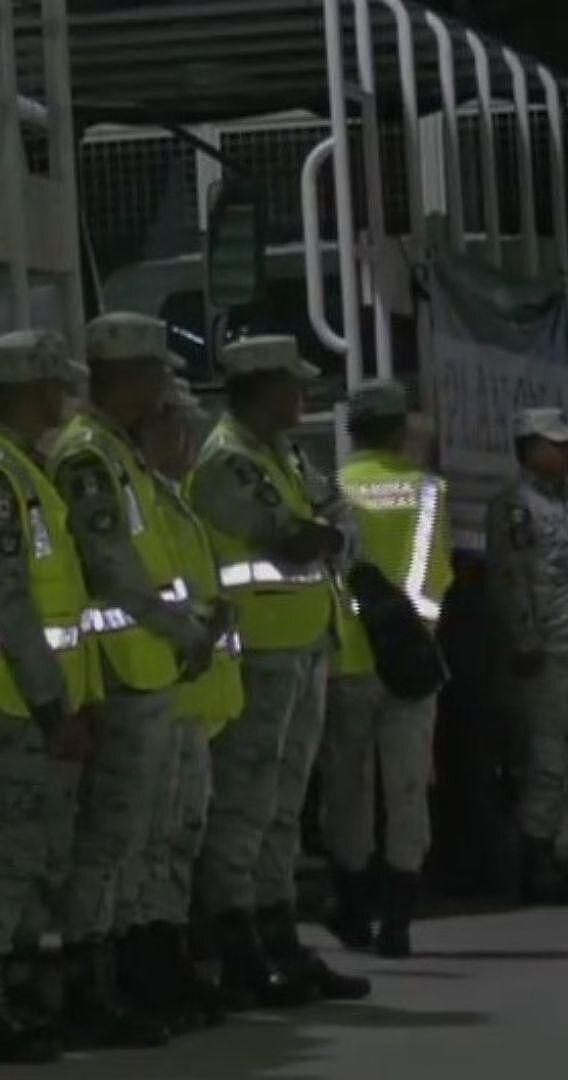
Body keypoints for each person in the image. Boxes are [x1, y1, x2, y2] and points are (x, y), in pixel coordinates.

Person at [47, 312, 215, 1049]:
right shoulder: (88, 458)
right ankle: (90, 987)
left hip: (153, 671)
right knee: (111, 840)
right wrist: (182, 630)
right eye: (152, 372)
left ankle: (125, 977)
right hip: (124, 671)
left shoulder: (120, 455)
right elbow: (112, 567)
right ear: (126, 375)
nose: (160, 387)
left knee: (143, 838)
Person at [186, 335, 369, 1006]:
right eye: (294, 383)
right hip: (259, 654)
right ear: (262, 387)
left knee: (283, 810)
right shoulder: (227, 462)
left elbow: (343, 522)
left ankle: (279, 943)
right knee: (246, 807)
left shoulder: (281, 454)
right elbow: (298, 540)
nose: (304, 395)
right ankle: (239, 951)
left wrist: (331, 530)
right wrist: (325, 531)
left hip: (301, 649)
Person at [0, 329, 99, 1064]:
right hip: (14, 703)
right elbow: (9, 602)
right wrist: (51, 706)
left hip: (36, 700)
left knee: (37, 850)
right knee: (8, 854)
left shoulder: (24, 470)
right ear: (28, 390)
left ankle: (23, 996)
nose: (63, 398)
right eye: (53, 386)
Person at [322, 380, 453, 958]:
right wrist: (415, 631)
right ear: (400, 429)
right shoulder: (425, 493)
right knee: (405, 788)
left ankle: (354, 908)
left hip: (348, 659)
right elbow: (434, 575)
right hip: (409, 661)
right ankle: (398, 924)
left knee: (348, 788)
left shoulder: (333, 489)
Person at [135, 377, 245, 1029]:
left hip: (194, 701)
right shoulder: (146, 499)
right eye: (180, 430)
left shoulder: (175, 501)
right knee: (155, 841)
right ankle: (155, 964)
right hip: (164, 693)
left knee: (182, 837)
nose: (189, 442)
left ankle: (174, 959)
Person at [486, 405, 568, 906]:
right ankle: (533, 865)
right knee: (545, 757)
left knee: (567, 754)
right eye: (559, 445)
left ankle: (547, 854)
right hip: (545, 652)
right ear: (532, 450)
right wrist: (524, 638)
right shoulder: (516, 508)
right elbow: (511, 577)